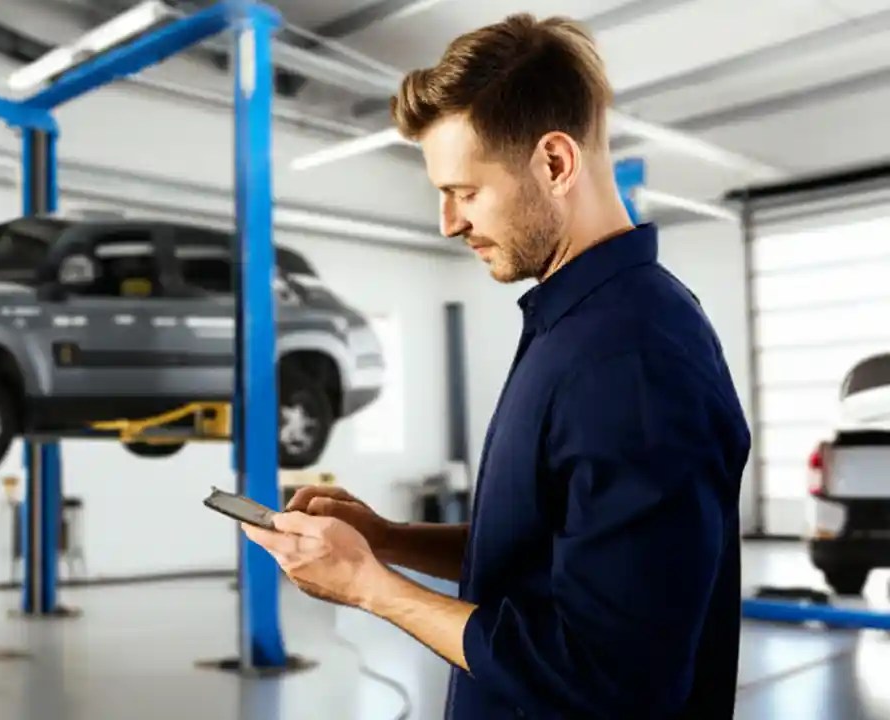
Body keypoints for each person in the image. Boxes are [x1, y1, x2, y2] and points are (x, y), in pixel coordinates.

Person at [241, 12, 751, 720]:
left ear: (554, 162)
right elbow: (545, 550)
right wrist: (387, 539)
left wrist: (371, 586)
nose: (448, 222)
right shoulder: (574, 322)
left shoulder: (631, 358)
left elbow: (611, 678)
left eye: (465, 191)